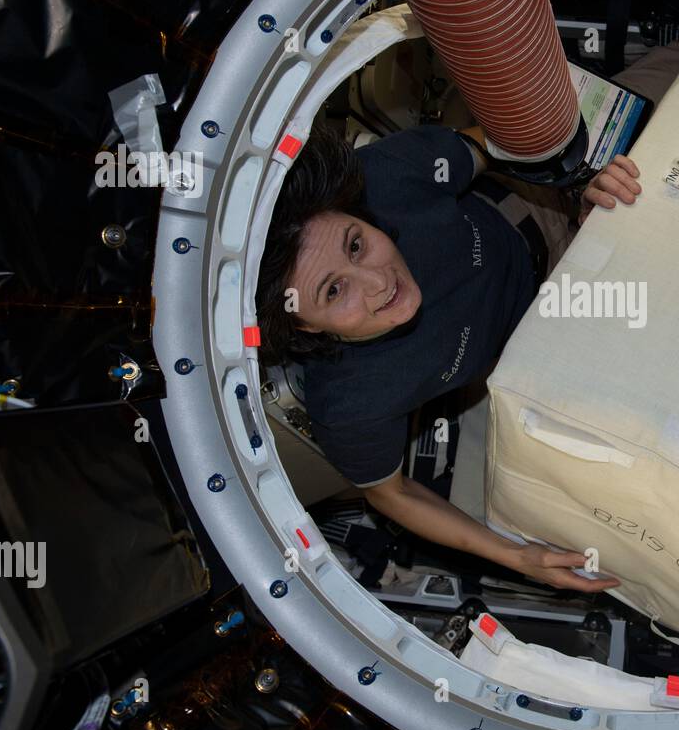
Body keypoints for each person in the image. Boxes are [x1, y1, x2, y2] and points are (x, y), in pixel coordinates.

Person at [256, 122, 643, 592]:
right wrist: (517, 556)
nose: (378, 283)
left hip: (538, 208)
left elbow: (494, 141)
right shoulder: (348, 403)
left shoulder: (383, 176)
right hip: (547, 336)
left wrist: (577, 180)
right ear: (305, 325)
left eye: (356, 244)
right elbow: (390, 494)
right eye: (335, 290)